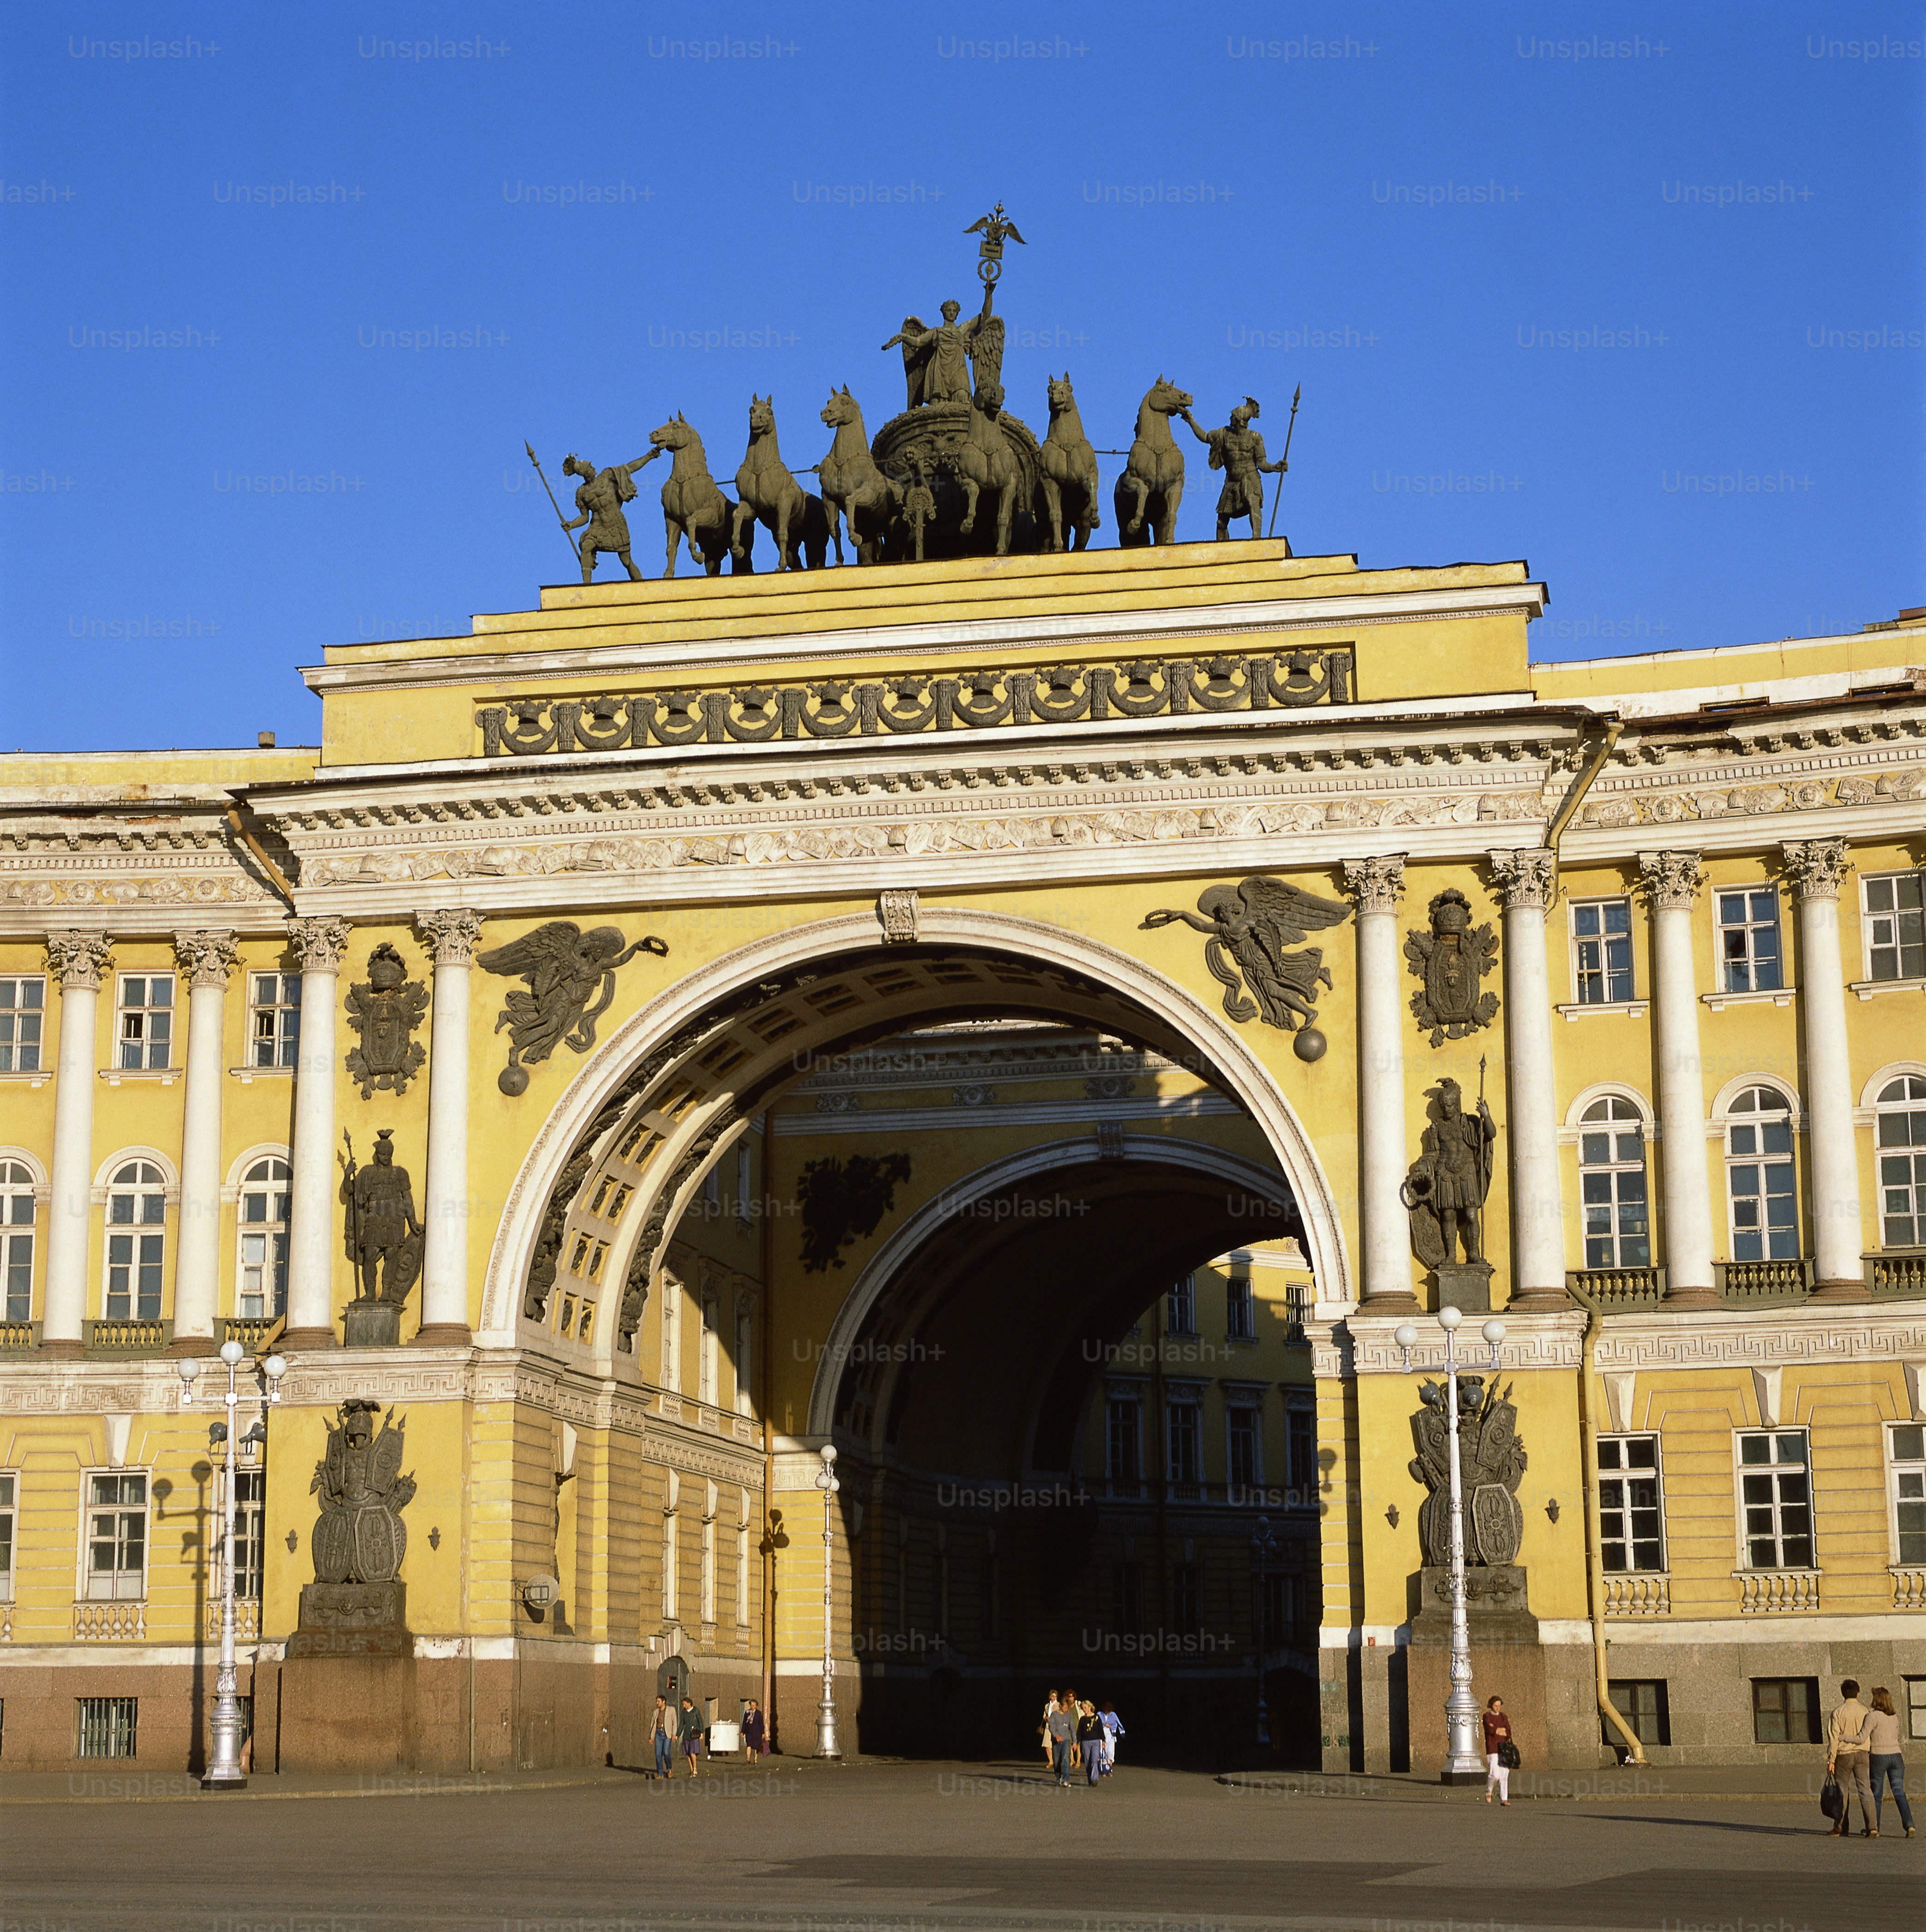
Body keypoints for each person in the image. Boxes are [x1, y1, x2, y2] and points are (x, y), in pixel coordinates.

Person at [1862, 1686, 1913, 1838]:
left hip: (1879, 1756)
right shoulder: (1894, 1717)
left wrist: (1844, 1738)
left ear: (1876, 1700)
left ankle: (1874, 1828)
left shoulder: (1872, 1716)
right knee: (1899, 1793)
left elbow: (1863, 1736)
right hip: (1897, 1756)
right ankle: (1910, 1825)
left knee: (1877, 1794)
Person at [1827, 1678, 1873, 1837]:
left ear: (1843, 1694)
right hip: (1862, 1754)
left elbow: (1834, 1738)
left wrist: (1831, 1760)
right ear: (1858, 1694)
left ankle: (1840, 1827)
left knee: (1842, 1791)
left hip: (1844, 1755)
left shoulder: (1838, 1712)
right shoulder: (1865, 1711)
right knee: (1865, 1789)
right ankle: (1872, 1827)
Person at [1482, 1695, 1514, 1807]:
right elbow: (1490, 1730)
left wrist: (1500, 1731)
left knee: (1504, 1774)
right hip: (1493, 1749)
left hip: (1504, 1748)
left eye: (1499, 1706)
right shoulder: (1487, 1716)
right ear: (1491, 1705)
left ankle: (1504, 1799)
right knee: (1495, 1774)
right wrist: (1498, 1730)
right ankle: (1489, 1790)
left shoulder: (1504, 1717)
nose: (1498, 1708)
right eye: (1496, 1706)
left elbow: (1508, 1731)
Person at [1046, 1693, 1078, 1788]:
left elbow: (1072, 1729)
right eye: (1065, 1708)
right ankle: (1058, 1778)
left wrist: (1075, 1742)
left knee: (1066, 1760)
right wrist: (1056, 1736)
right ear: (1061, 1706)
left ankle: (1066, 1780)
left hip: (1066, 1740)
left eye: (1068, 1708)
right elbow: (1052, 1727)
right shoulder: (1055, 1715)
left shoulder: (1069, 1716)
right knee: (1056, 1761)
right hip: (1056, 1741)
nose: (1066, 1710)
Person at [1078, 1701, 1105, 1786]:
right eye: (1083, 1708)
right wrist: (1077, 1742)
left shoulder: (1097, 1718)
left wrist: (1103, 1740)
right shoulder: (1083, 1719)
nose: (1084, 1710)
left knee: (1094, 1760)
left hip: (1096, 1741)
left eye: (1085, 1708)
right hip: (1086, 1742)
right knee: (1087, 1762)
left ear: (1090, 1707)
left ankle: (1095, 1779)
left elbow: (1101, 1729)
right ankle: (1090, 1778)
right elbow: (1079, 1732)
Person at [678, 1695, 705, 1778]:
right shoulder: (684, 1713)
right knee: (688, 1754)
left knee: (692, 1752)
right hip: (687, 1735)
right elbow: (682, 1724)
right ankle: (692, 1770)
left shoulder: (696, 1711)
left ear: (689, 1703)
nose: (684, 1706)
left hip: (694, 1734)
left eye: (685, 1704)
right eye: (683, 1704)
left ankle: (695, 1769)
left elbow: (700, 1722)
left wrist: (701, 1733)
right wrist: (677, 1734)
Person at [649, 1694, 673, 1780]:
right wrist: (651, 1737)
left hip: (667, 1734)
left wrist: (674, 1734)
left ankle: (669, 1769)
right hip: (658, 1733)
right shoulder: (656, 1712)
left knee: (666, 1753)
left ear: (664, 1702)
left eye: (659, 1701)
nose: (657, 1703)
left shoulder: (671, 1710)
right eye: (657, 1701)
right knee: (658, 1754)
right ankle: (660, 1773)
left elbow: (675, 1722)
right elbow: (653, 1724)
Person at [1099, 1700, 1122, 1775]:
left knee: (1110, 1752)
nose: (1107, 1713)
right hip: (1102, 1735)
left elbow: (1117, 1723)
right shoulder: (1100, 1714)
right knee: (1103, 1752)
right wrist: (1104, 1724)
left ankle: (1109, 1769)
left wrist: (1112, 1727)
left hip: (1111, 1735)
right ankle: (1103, 1770)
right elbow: (1097, 1723)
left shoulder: (1113, 1715)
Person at [742, 1698, 768, 1762]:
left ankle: (755, 1760)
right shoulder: (747, 1713)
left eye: (754, 1705)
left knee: (757, 1746)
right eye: (751, 1705)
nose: (752, 1707)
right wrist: (742, 1732)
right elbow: (744, 1723)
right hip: (749, 1732)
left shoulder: (759, 1714)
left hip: (757, 1732)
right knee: (749, 1745)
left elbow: (761, 1724)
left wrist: (763, 1733)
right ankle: (748, 1759)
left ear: (756, 1706)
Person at [1040, 1688, 1058, 1768]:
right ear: (1050, 1697)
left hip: (1056, 1727)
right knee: (1048, 1745)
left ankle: (1057, 1761)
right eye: (1052, 1696)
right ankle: (1051, 1761)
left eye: (1055, 1696)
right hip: (1048, 1726)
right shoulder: (1047, 1706)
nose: (1054, 1698)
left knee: (1056, 1745)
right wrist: (1046, 1718)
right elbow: (1044, 1715)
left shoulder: (1059, 1705)